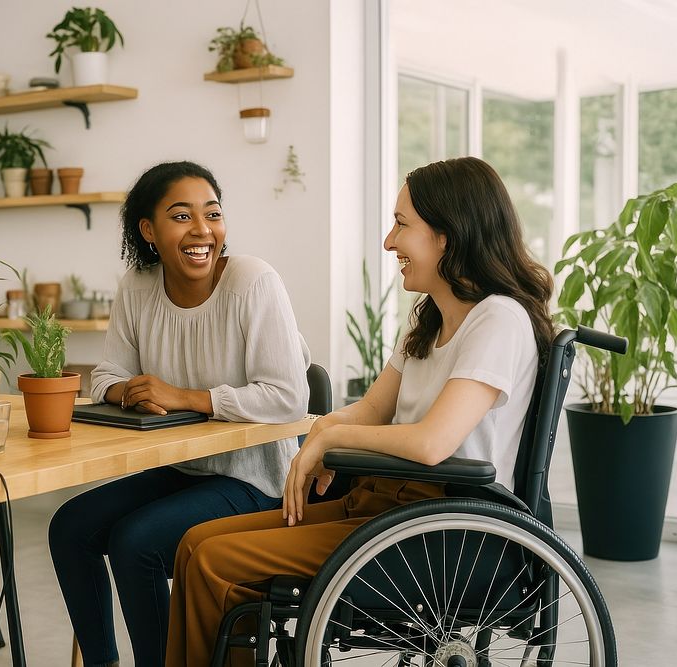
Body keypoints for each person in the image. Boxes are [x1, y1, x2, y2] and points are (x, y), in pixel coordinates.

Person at [165, 156, 556, 666]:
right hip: (386, 509)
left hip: (441, 533)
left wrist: (329, 443)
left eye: (402, 224)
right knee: (193, 543)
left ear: (447, 235)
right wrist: (324, 428)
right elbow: (372, 409)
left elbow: (432, 443)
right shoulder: (434, 317)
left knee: (216, 562)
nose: (389, 242)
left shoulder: (497, 320)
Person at [49, 161, 311, 667]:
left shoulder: (252, 282)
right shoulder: (138, 286)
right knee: (69, 527)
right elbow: (104, 376)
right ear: (149, 231)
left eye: (212, 214)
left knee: (136, 543)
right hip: (181, 469)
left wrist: (186, 396)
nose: (202, 231)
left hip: (256, 480)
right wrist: (130, 391)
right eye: (181, 216)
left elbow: (287, 397)